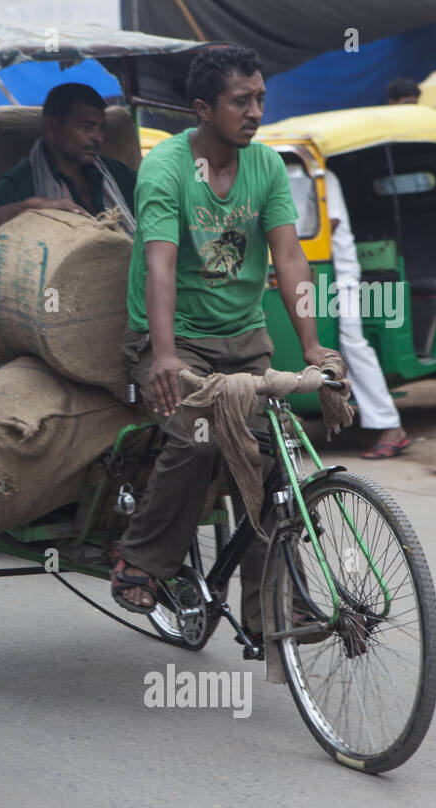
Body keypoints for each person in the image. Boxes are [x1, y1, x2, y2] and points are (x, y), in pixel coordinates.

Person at [108, 45, 338, 641]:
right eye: (242, 100)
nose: (256, 110)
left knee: (273, 463)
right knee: (201, 440)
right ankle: (143, 560)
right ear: (204, 109)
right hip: (173, 339)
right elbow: (159, 266)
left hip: (245, 339)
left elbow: (289, 257)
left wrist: (311, 345)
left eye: (260, 97)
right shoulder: (166, 170)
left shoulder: (266, 167)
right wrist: (161, 356)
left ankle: (274, 608)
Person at [0, 82, 138, 248]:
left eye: (101, 128)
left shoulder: (114, 173)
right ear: (53, 128)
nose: (98, 138)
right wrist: (30, 206)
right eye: (87, 126)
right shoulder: (26, 178)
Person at [324, 170, 410, 458]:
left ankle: (390, 426)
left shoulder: (320, 174)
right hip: (300, 275)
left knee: (352, 344)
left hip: (337, 276)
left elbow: (328, 224)